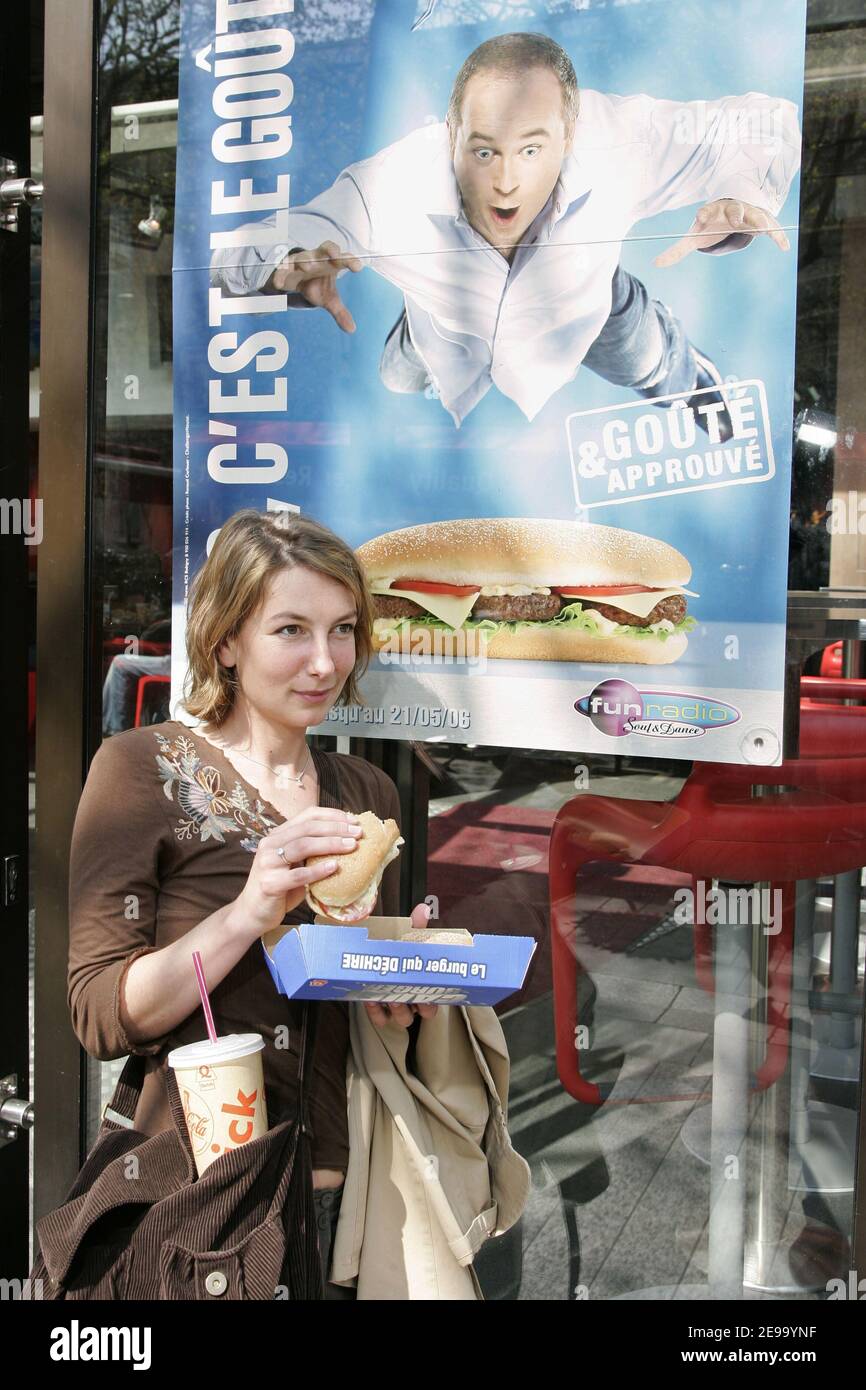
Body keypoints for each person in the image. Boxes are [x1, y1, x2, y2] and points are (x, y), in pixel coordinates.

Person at [67, 509, 438, 1299]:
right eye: (291, 630)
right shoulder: (141, 770)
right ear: (226, 641)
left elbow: (358, 1000)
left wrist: (403, 986)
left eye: (342, 630)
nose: (324, 661)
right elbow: (98, 1011)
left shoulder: (364, 792)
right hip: (199, 1204)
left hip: (342, 1196)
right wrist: (246, 913)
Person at [210, 31, 801, 432]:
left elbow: (765, 121)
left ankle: (687, 370)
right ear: (451, 134)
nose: (507, 183)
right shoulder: (398, 181)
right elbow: (236, 251)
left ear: (569, 134)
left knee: (646, 360)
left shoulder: (621, 140)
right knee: (397, 376)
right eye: (485, 151)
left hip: (581, 307)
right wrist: (282, 260)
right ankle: (420, 318)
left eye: (532, 150)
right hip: (450, 322)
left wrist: (741, 190)